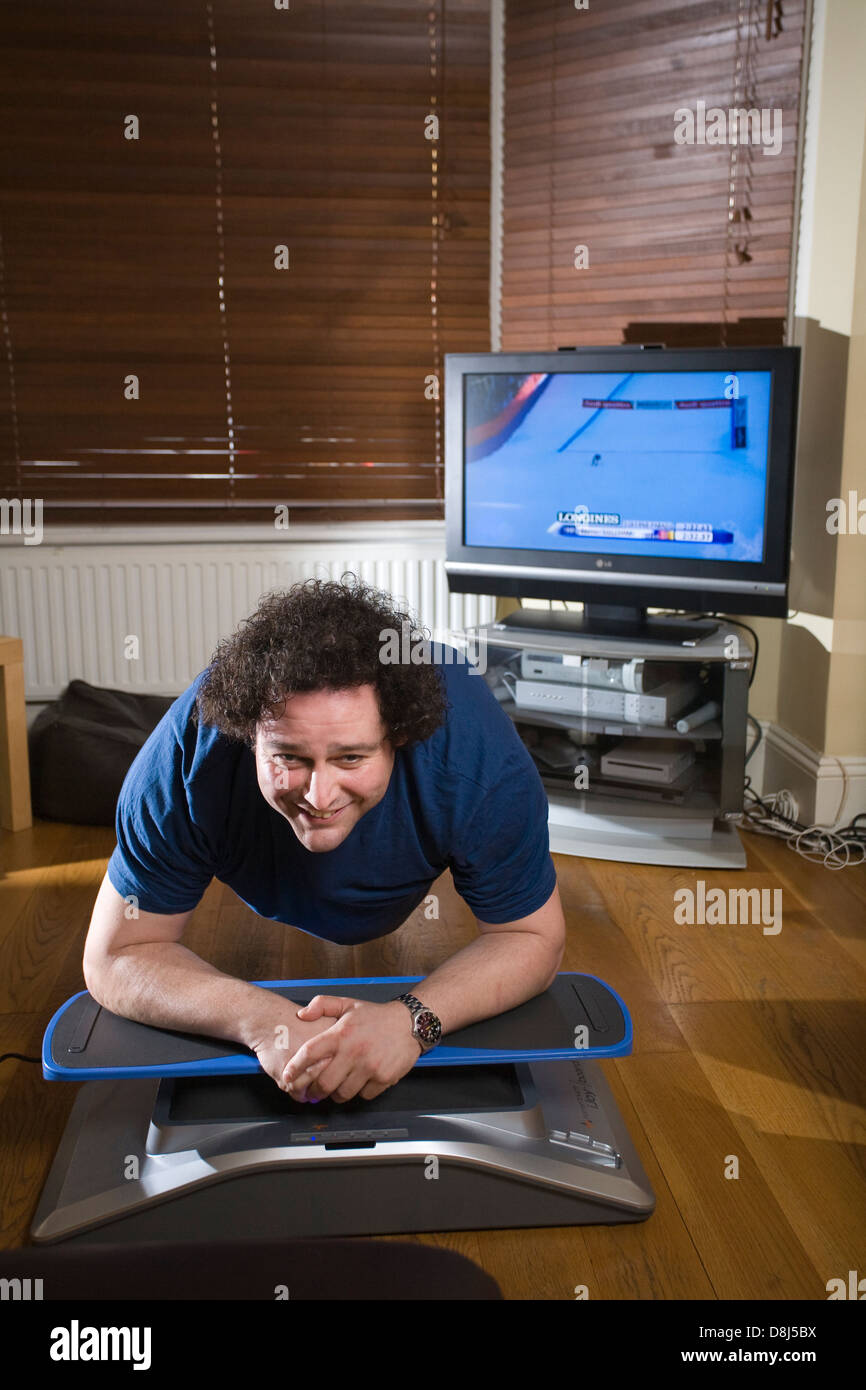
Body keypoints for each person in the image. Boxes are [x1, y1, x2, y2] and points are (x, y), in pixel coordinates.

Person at [83, 576, 565, 1105]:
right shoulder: (184, 765)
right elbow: (115, 956)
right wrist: (263, 1021)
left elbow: (532, 938)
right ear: (249, 736)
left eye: (350, 757)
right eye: (289, 757)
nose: (318, 795)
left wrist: (412, 1022)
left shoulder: (480, 766)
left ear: (398, 737)